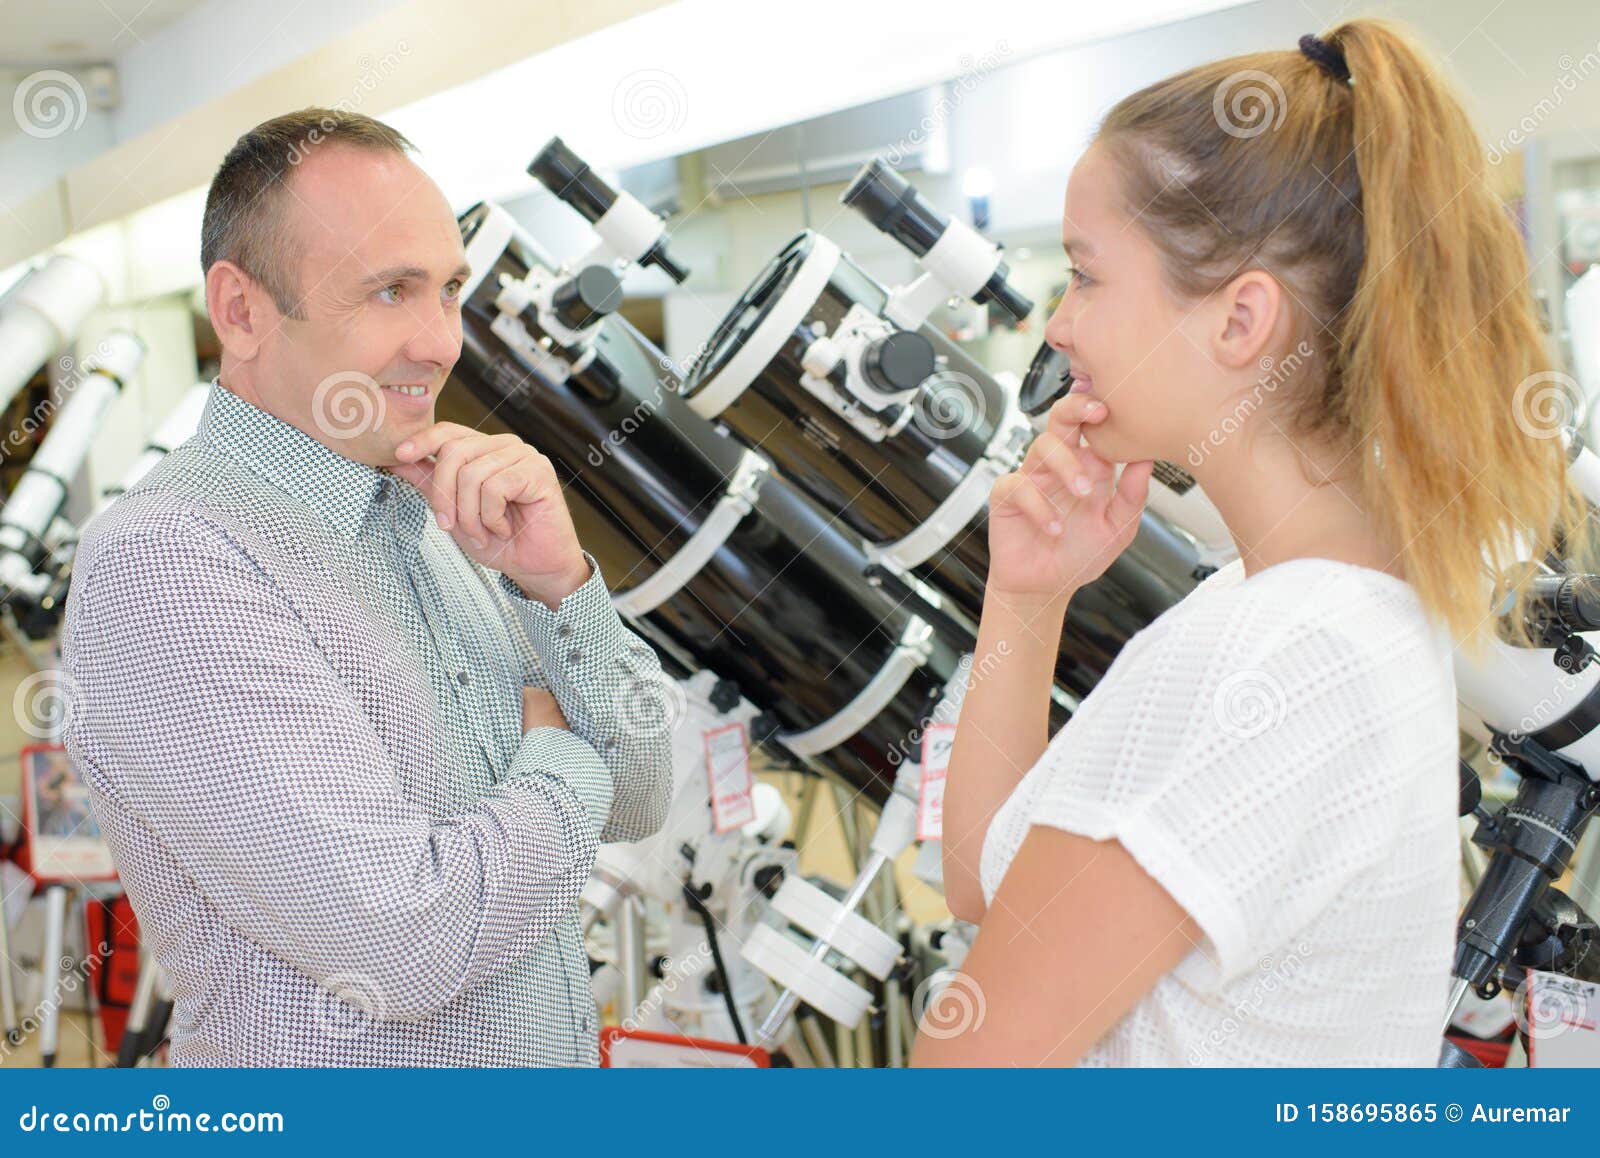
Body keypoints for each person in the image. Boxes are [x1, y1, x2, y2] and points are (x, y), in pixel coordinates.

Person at [914, 21, 1584, 1065]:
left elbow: (964, 1077)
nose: (1056, 326)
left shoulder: (1278, 651)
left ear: (1240, 323)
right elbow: (980, 882)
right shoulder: (1267, 600)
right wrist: (1028, 595)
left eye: (1086, 276)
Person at [60, 109, 673, 1066]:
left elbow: (640, 799)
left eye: (449, 290)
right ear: (241, 310)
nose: (442, 343)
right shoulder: (170, 563)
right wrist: (560, 758)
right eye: (391, 291)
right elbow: (400, 946)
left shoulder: (440, 522)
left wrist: (560, 587)